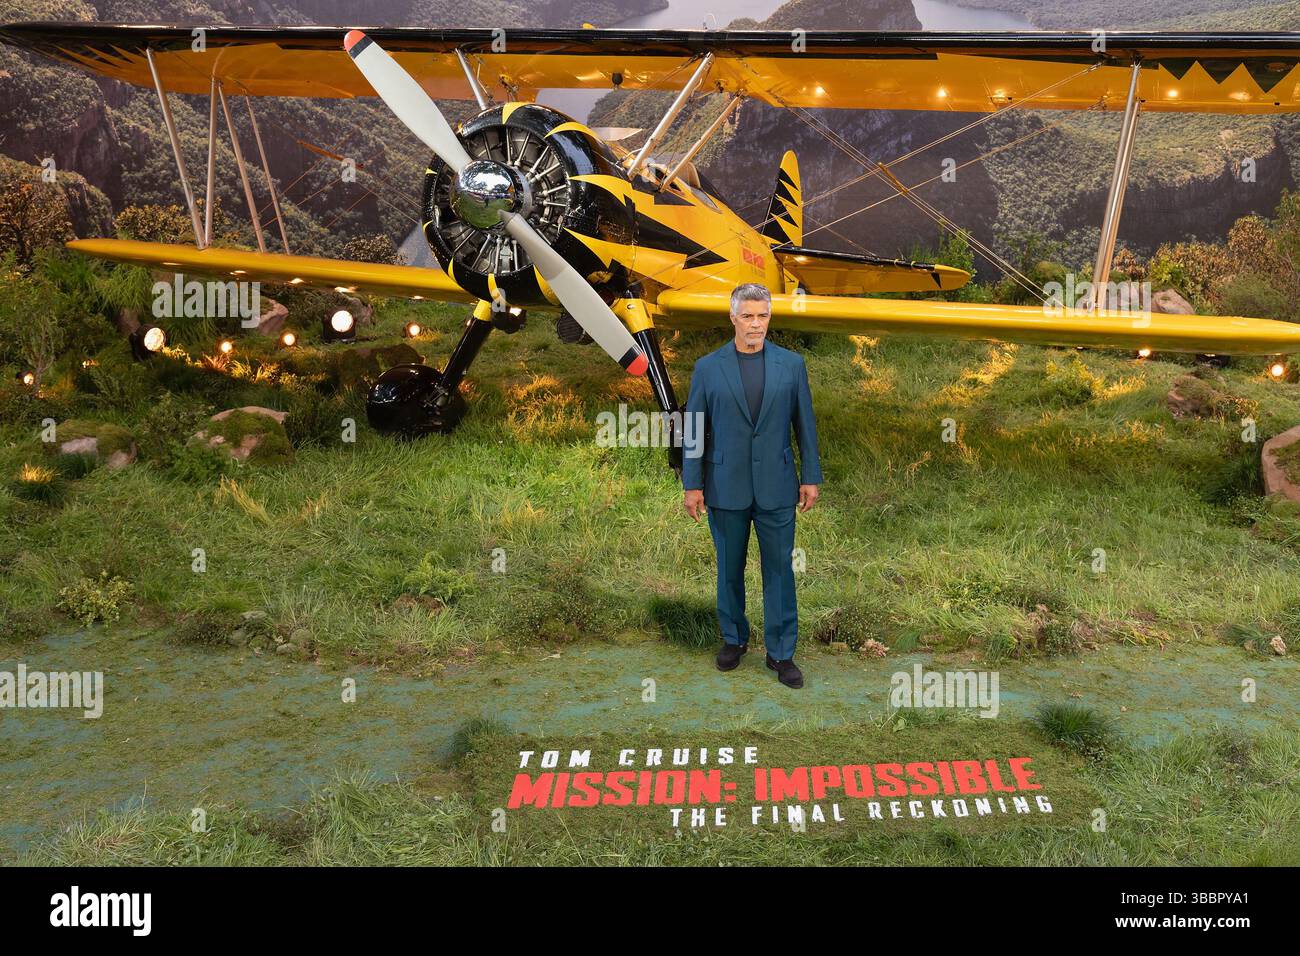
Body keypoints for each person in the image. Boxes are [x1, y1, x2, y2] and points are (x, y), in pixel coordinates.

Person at [681, 282, 822, 689]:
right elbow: (695, 430)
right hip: (724, 486)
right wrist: (693, 485)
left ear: (769, 318)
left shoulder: (791, 365)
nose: (755, 324)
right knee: (729, 568)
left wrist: (810, 475)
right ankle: (734, 639)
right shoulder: (708, 367)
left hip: (778, 485)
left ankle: (781, 653)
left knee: (780, 570)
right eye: (748, 316)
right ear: (733, 318)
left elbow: (805, 425)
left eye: (762, 316)